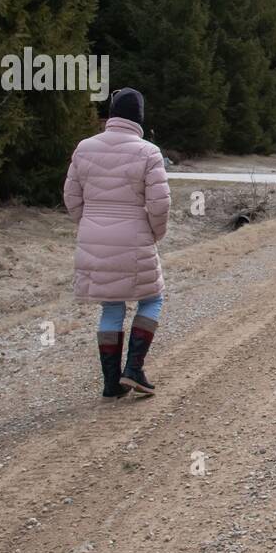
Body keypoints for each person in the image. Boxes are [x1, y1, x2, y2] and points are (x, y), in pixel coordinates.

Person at [63, 87, 170, 398]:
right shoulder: (148, 152)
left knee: (111, 306)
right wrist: (155, 233)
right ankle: (134, 369)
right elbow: (160, 204)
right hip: (135, 237)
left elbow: (71, 197)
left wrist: (89, 224)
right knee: (152, 298)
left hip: (93, 237)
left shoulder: (84, 148)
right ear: (139, 116)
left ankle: (111, 383)